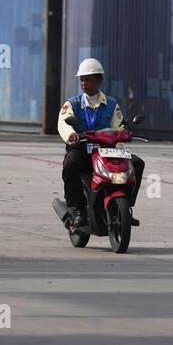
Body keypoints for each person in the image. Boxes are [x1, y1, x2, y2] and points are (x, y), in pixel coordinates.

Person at [58, 58, 144, 230]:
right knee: (70, 164)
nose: (84, 83)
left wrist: (123, 136)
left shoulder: (112, 105)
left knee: (136, 163)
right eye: (82, 79)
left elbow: (118, 125)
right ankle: (77, 209)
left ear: (99, 80)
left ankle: (126, 206)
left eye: (88, 79)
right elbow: (63, 123)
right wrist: (72, 135)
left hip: (106, 151)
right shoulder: (72, 104)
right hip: (82, 150)